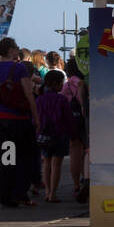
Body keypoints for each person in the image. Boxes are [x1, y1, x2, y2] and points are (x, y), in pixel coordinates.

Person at [0, 37, 39, 208]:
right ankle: (21, 194)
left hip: (0, 122)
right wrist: (36, 117)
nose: (18, 50)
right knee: (25, 159)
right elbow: (28, 94)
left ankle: (6, 197)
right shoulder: (19, 68)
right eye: (16, 47)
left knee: (7, 159)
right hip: (19, 121)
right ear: (10, 50)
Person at [35, 69, 74, 203]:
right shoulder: (61, 99)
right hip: (59, 134)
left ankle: (46, 191)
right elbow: (68, 119)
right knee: (56, 164)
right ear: (57, 84)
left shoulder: (40, 99)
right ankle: (53, 193)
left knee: (46, 163)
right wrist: (72, 135)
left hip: (43, 134)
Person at [64, 57, 89, 200]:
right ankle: (84, 179)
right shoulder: (79, 81)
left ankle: (76, 185)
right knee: (86, 151)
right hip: (81, 118)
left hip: (71, 119)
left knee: (74, 152)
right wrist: (83, 105)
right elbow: (80, 85)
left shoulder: (66, 85)